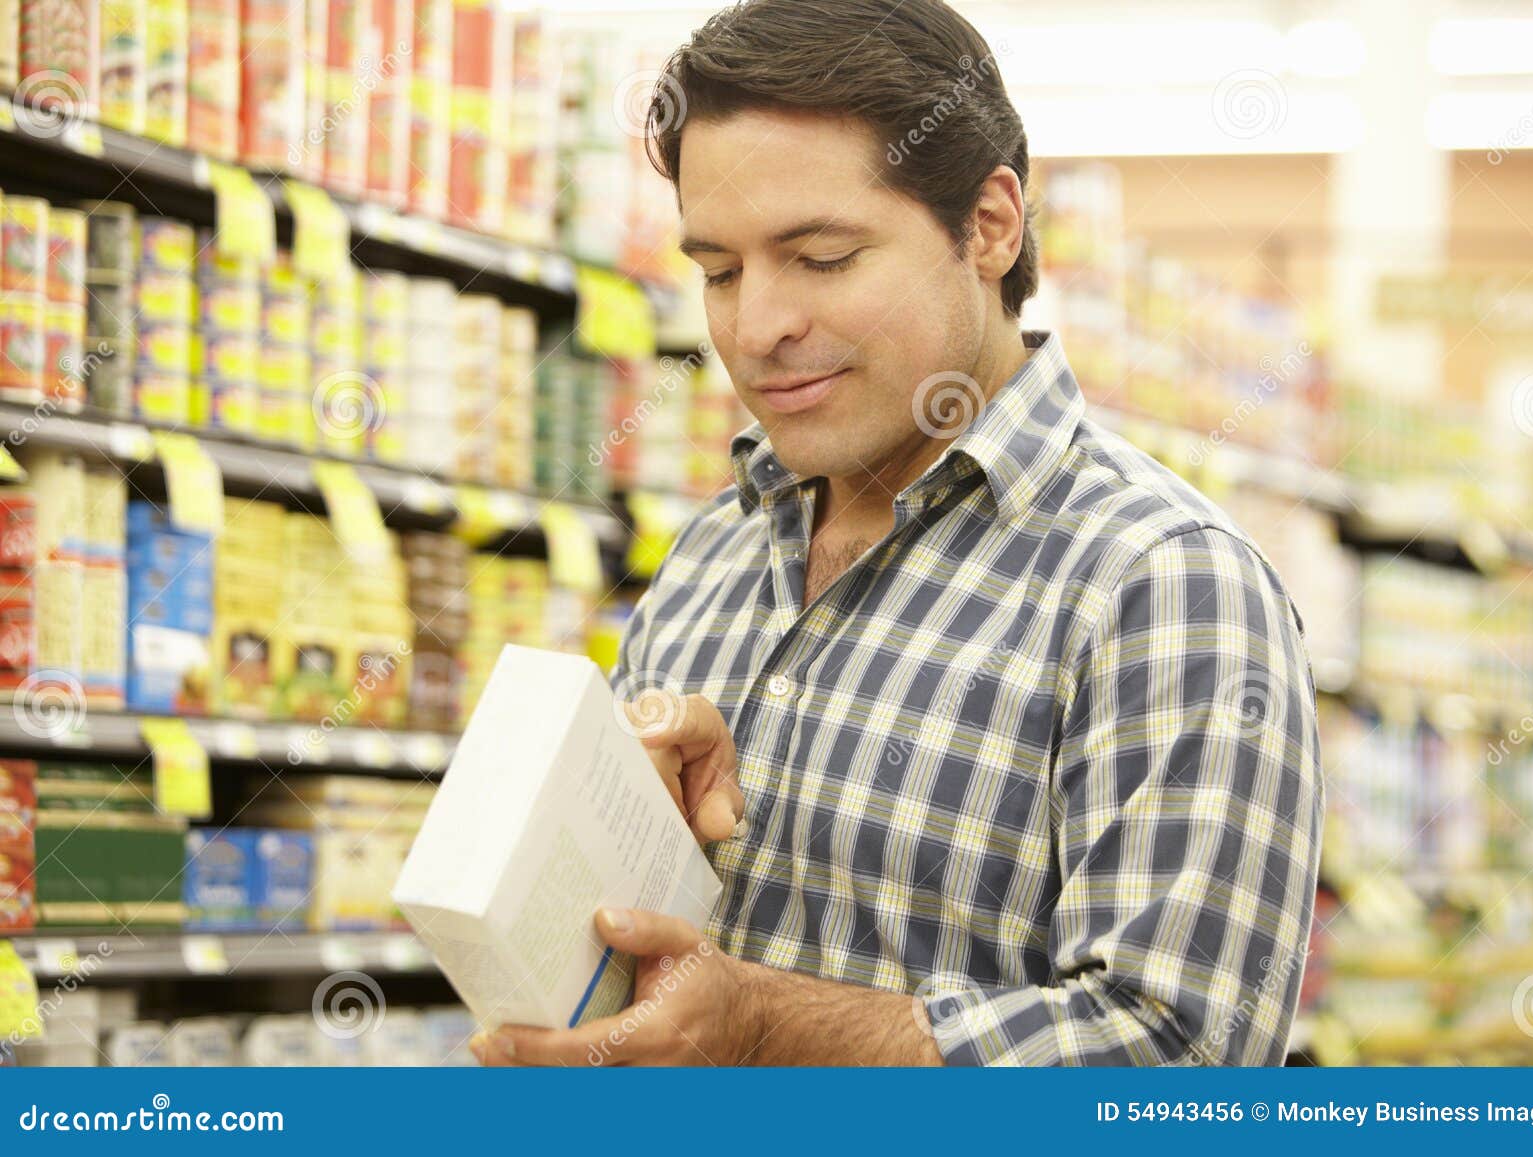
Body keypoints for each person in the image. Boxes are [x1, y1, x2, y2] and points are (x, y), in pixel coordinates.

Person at [471, 0, 1323, 1067]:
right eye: (720, 272)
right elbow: (632, 984)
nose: (755, 327)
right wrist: (616, 836)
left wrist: (764, 1025)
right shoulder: (709, 557)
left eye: (823, 257)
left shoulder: (1166, 588)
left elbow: (1176, 1059)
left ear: (990, 226)